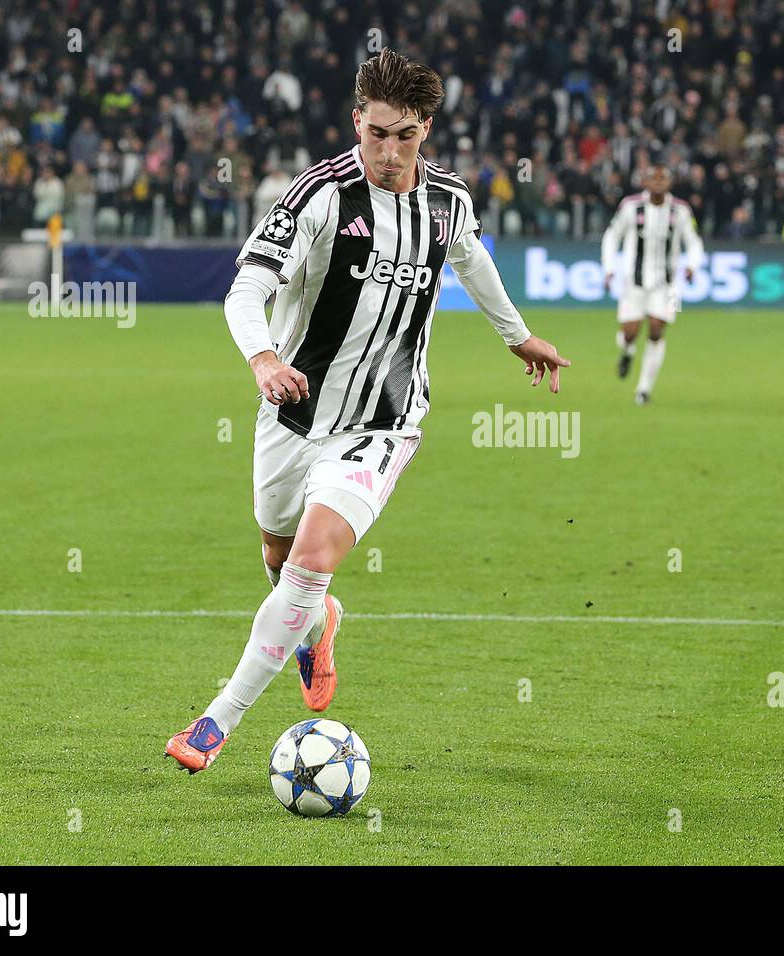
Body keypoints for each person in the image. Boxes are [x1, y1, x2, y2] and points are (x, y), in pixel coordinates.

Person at [166, 49, 569, 772]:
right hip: (293, 408)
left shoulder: (447, 201)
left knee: (313, 559)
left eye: (405, 135)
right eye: (377, 132)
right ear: (358, 120)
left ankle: (215, 722)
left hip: (384, 420)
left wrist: (518, 335)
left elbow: (470, 258)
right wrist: (263, 359)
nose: (388, 151)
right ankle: (318, 630)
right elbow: (245, 290)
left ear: (427, 130)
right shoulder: (318, 196)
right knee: (278, 556)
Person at [601, 162, 703, 404]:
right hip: (633, 282)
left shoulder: (681, 210)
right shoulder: (630, 205)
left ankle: (644, 389)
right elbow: (612, 235)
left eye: (663, 178)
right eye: (653, 178)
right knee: (630, 332)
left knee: (657, 328)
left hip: (667, 285)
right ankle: (627, 352)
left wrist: (692, 266)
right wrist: (608, 268)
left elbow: (694, 242)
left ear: (670, 183)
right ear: (645, 182)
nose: (658, 182)